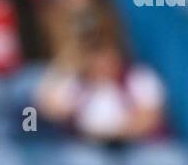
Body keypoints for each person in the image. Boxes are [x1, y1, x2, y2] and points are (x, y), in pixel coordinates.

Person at [36, 36, 166, 144]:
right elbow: (50, 109)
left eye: (106, 59)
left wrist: (112, 132)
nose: (102, 65)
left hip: (133, 144)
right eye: (96, 60)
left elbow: (150, 117)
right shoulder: (77, 83)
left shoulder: (137, 78)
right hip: (88, 146)